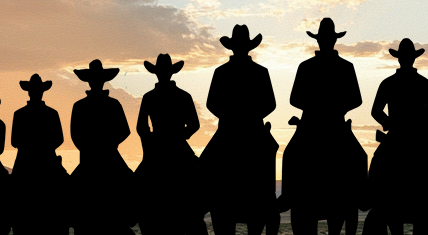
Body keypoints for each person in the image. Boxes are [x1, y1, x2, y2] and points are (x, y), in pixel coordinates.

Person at [282, 17, 366, 209]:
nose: (326, 42)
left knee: (360, 155)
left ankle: (362, 195)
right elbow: (294, 98)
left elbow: (356, 99)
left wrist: (336, 109)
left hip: (328, 123)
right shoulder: (307, 67)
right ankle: (287, 196)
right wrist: (323, 108)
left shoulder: (344, 67)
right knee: (290, 153)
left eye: (328, 39)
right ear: (319, 40)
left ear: (333, 40)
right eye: (323, 39)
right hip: (316, 123)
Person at [201, 24, 278, 210]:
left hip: (234, 128)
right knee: (204, 161)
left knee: (206, 160)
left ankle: (271, 198)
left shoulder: (226, 72)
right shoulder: (255, 72)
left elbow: (270, 103)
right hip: (244, 127)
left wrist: (235, 117)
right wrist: (246, 117)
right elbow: (270, 104)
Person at [368, 37, 428, 206]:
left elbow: (376, 111)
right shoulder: (424, 83)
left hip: (399, 136)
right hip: (413, 137)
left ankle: (370, 198)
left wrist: (391, 124)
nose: (406, 60)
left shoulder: (389, 83)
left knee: (377, 164)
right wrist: (418, 124)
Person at [135, 53, 201, 202]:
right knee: (201, 182)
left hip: (157, 147)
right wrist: (180, 136)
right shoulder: (183, 96)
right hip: (179, 148)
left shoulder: (149, 97)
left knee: (137, 188)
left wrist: (150, 141)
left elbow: (141, 128)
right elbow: (194, 124)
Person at [70, 58, 134, 204]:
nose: (95, 82)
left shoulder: (81, 106)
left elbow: (125, 130)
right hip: (101, 156)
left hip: (97, 156)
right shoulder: (111, 104)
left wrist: (107, 144)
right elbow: (125, 130)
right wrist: (108, 144)